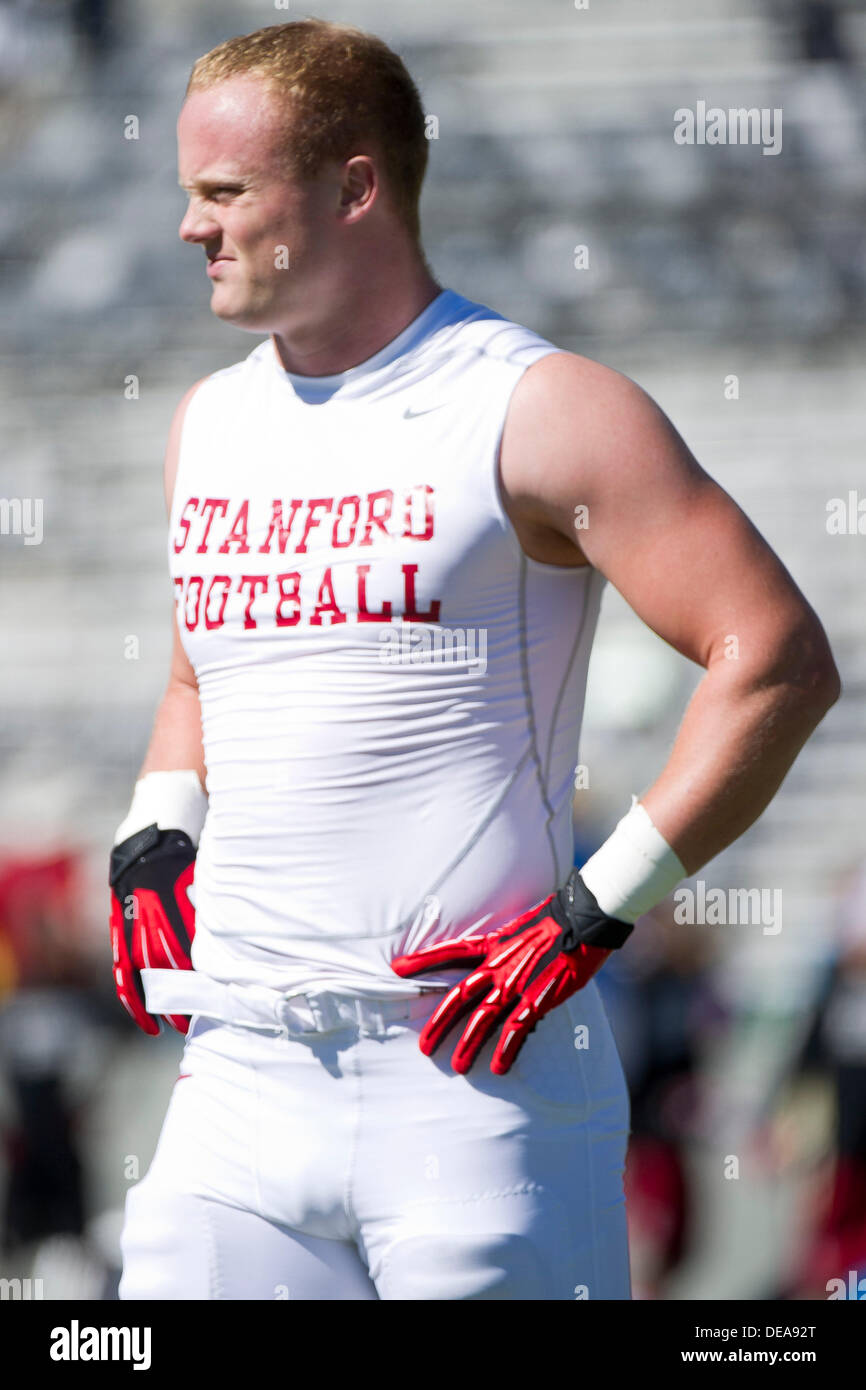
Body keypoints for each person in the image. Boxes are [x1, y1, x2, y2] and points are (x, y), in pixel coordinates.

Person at [110, 19, 840, 1300]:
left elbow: (772, 653)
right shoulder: (207, 422)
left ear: (353, 186)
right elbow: (197, 677)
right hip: (233, 1079)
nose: (190, 227)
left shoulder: (535, 404)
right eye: (188, 191)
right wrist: (156, 827)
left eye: (224, 192)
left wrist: (597, 905)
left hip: (470, 1082)